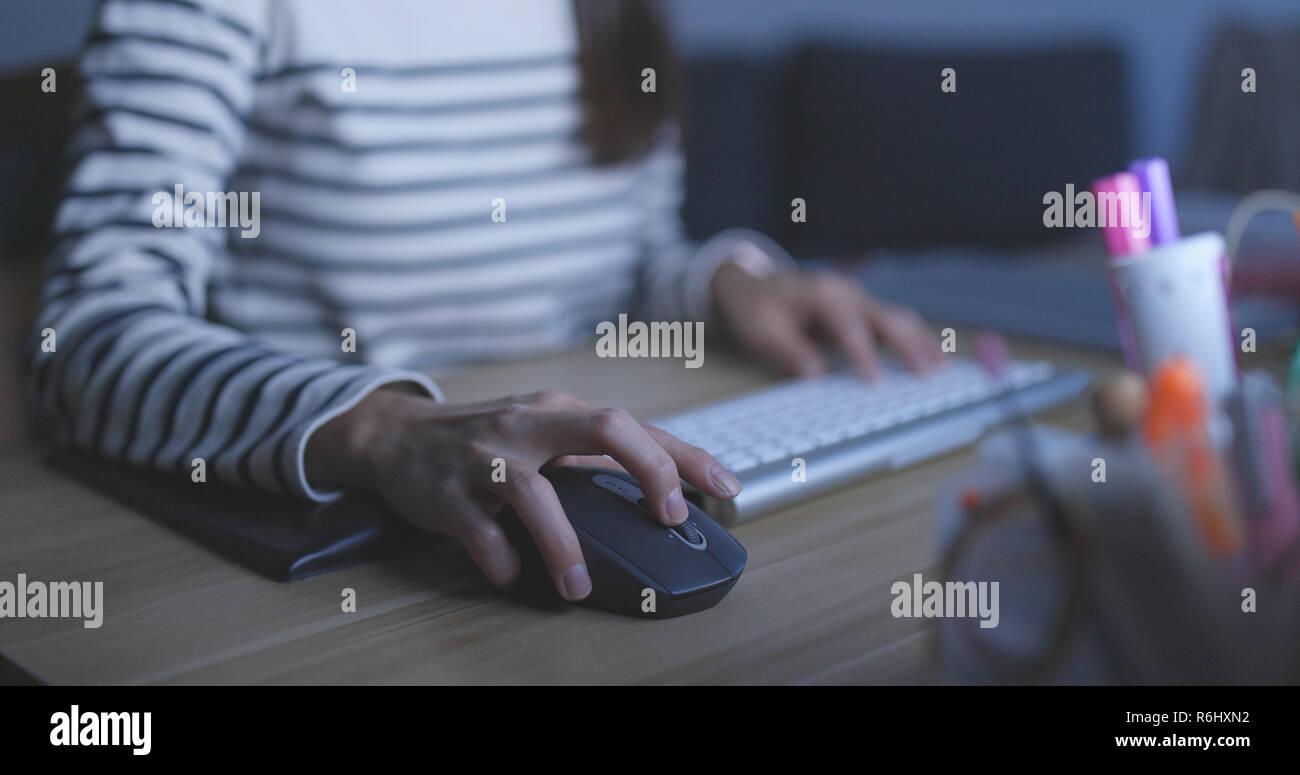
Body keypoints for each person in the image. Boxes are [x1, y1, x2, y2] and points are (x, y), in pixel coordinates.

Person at [32, 0, 943, 602]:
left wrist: (727, 279)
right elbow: (85, 338)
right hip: (318, 541)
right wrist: (384, 430)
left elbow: (627, 264)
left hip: (562, 488)